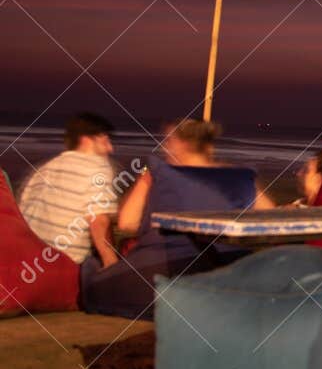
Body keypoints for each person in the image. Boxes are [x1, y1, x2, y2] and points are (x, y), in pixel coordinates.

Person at [80, 118, 273, 319]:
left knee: (90, 272)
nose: (164, 147)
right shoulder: (239, 176)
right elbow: (268, 213)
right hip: (229, 277)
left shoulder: (158, 173)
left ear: (180, 144)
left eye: (167, 141)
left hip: (162, 275)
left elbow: (127, 223)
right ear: (208, 146)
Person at [18, 113, 120, 266]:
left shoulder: (45, 169)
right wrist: (111, 264)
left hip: (25, 260)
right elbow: (98, 220)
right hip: (63, 264)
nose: (110, 148)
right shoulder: (97, 166)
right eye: (105, 140)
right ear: (86, 140)